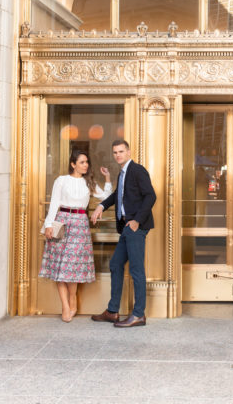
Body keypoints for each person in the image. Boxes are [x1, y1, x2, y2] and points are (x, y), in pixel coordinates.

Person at [40, 149, 112, 322]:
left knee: (73, 266)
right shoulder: (62, 180)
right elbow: (55, 203)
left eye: (86, 162)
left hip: (80, 223)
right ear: (73, 164)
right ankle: (65, 305)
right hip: (62, 221)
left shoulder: (89, 183)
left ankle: (73, 298)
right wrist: (48, 225)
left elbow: (107, 196)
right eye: (82, 162)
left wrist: (108, 179)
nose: (85, 165)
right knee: (60, 266)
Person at [90, 139, 156, 327]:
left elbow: (151, 195)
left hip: (135, 227)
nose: (118, 155)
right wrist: (101, 206)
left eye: (121, 151)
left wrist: (136, 221)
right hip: (126, 228)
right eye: (115, 152)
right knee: (116, 264)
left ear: (128, 152)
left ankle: (138, 315)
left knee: (136, 271)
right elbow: (118, 195)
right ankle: (112, 311)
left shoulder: (137, 170)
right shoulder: (123, 174)